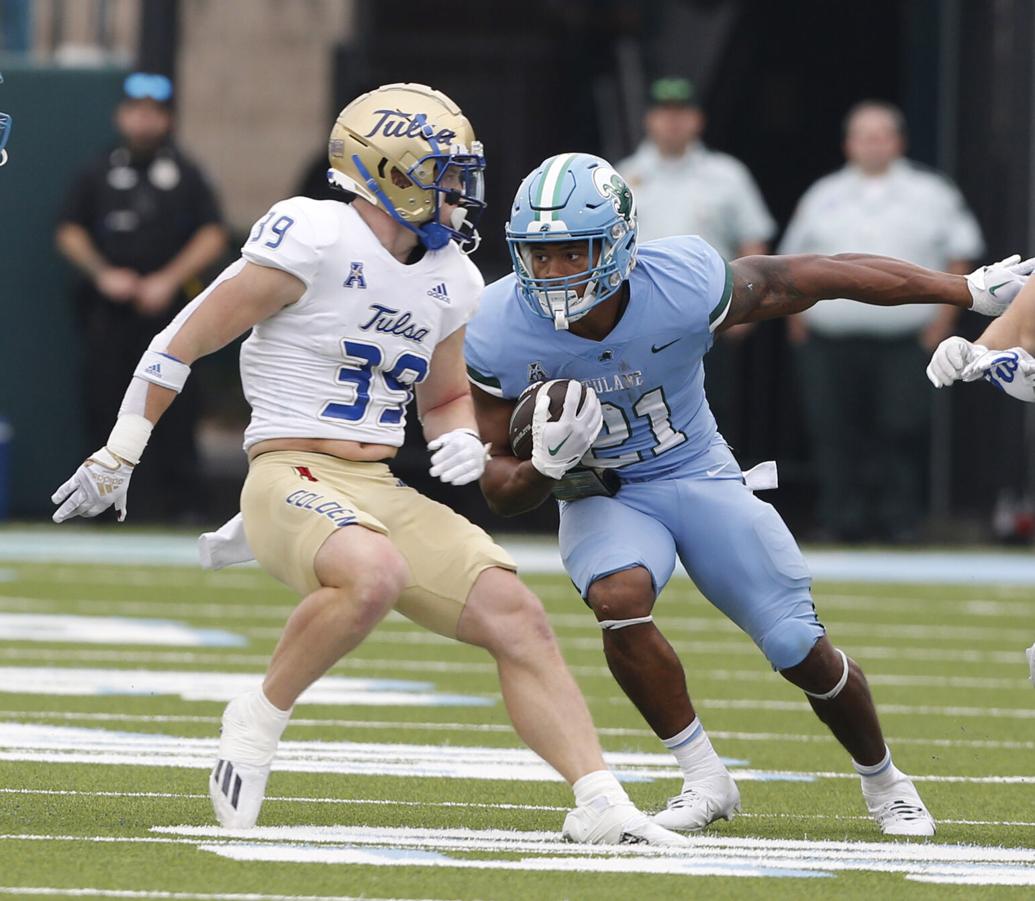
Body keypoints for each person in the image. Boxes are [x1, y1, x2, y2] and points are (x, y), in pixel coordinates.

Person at [49, 84, 685, 847]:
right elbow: (181, 339)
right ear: (392, 171)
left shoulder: (448, 276)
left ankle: (600, 800)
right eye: (447, 173)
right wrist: (122, 449)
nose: (462, 191)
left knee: (517, 615)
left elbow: (445, 395)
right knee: (373, 572)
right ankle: (257, 716)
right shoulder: (311, 235)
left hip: (376, 483)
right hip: (289, 468)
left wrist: (460, 439)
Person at [464, 151, 1033, 836]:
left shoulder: (678, 282)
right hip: (603, 491)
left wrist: (961, 290)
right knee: (617, 600)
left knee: (797, 642)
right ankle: (704, 777)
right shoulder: (498, 321)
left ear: (616, 243)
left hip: (694, 471)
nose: (551, 273)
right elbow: (498, 487)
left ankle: (885, 779)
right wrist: (544, 468)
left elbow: (812, 275)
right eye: (537, 255)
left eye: (568, 252)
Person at [779, 100, 985, 542]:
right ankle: (840, 520)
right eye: (863, 135)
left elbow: (961, 253)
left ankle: (900, 522)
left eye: (881, 135)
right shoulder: (823, 194)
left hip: (907, 338)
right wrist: (797, 325)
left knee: (902, 428)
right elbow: (789, 263)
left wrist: (942, 323)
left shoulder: (934, 192)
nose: (872, 144)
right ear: (848, 143)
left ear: (898, 141)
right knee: (833, 431)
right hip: (830, 339)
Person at [55, 72, 228, 520]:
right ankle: (91, 503)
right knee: (103, 400)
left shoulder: (187, 173)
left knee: (176, 404)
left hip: (168, 311)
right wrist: (104, 273)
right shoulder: (99, 169)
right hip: (110, 313)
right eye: (136, 111)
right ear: (122, 115)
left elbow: (212, 234)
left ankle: (179, 503)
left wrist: (168, 279)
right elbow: (70, 229)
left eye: (154, 113)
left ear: (166, 120)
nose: (143, 122)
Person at [617, 76, 775, 448]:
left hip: (711, 318)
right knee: (641, 415)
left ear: (697, 120)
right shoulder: (621, 176)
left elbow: (754, 240)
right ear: (650, 120)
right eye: (664, 112)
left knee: (716, 412)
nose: (673, 122)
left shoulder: (727, 175)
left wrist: (747, 305)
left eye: (682, 113)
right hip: (641, 321)